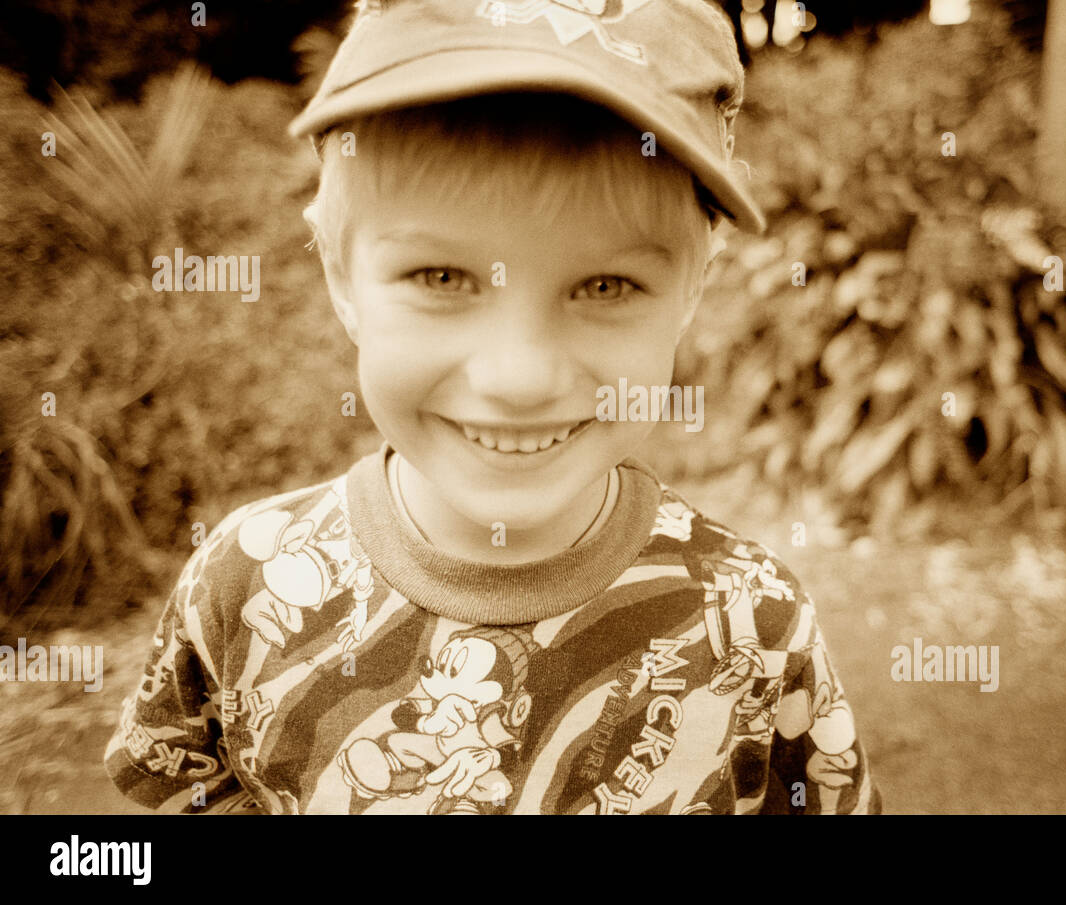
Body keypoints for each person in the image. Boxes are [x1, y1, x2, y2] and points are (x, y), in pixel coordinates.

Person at [105, 0, 882, 815]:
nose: (518, 376)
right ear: (341, 277)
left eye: (606, 285)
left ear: (691, 293)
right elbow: (182, 775)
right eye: (442, 278)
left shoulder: (754, 623)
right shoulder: (245, 582)